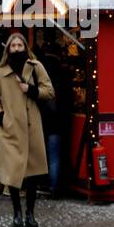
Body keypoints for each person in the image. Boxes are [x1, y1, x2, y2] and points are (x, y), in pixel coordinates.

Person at [0, 32, 55, 227]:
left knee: (32, 173)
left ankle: (30, 213)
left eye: (19, 45)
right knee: (13, 173)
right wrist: (2, 118)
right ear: (8, 49)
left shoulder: (36, 66)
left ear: (25, 47)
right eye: (13, 46)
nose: (16, 49)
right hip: (10, 129)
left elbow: (49, 91)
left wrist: (31, 90)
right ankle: (17, 213)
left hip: (33, 127)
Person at [38, 46, 72, 195]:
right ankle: (55, 185)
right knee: (55, 155)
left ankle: (51, 184)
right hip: (60, 122)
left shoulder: (42, 78)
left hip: (45, 122)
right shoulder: (63, 77)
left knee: (49, 155)